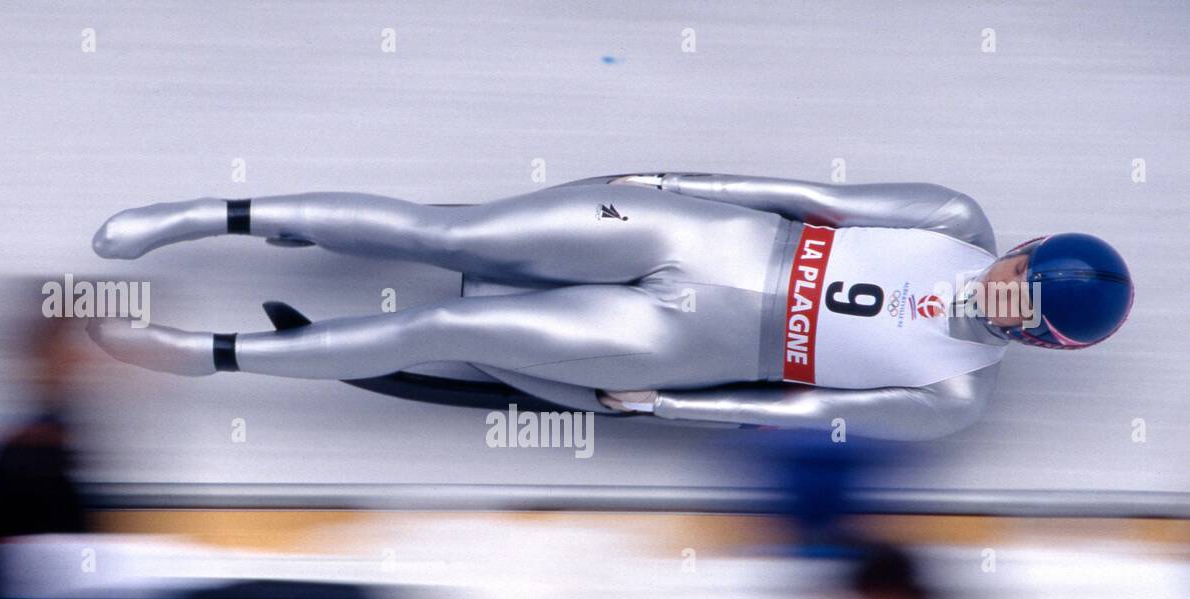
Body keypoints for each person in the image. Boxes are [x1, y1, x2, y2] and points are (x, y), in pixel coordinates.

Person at [87, 174, 1134, 440]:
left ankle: (199, 353)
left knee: (447, 327)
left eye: (1024, 315)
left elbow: (804, 415)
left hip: (684, 339)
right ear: (1021, 249)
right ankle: (202, 212)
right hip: (684, 231)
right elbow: (811, 195)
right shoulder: (952, 212)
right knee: (446, 234)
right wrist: (679, 181)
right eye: (1021, 278)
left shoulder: (952, 394)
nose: (1004, 302)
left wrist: (665, 408)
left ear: (1032, 338)